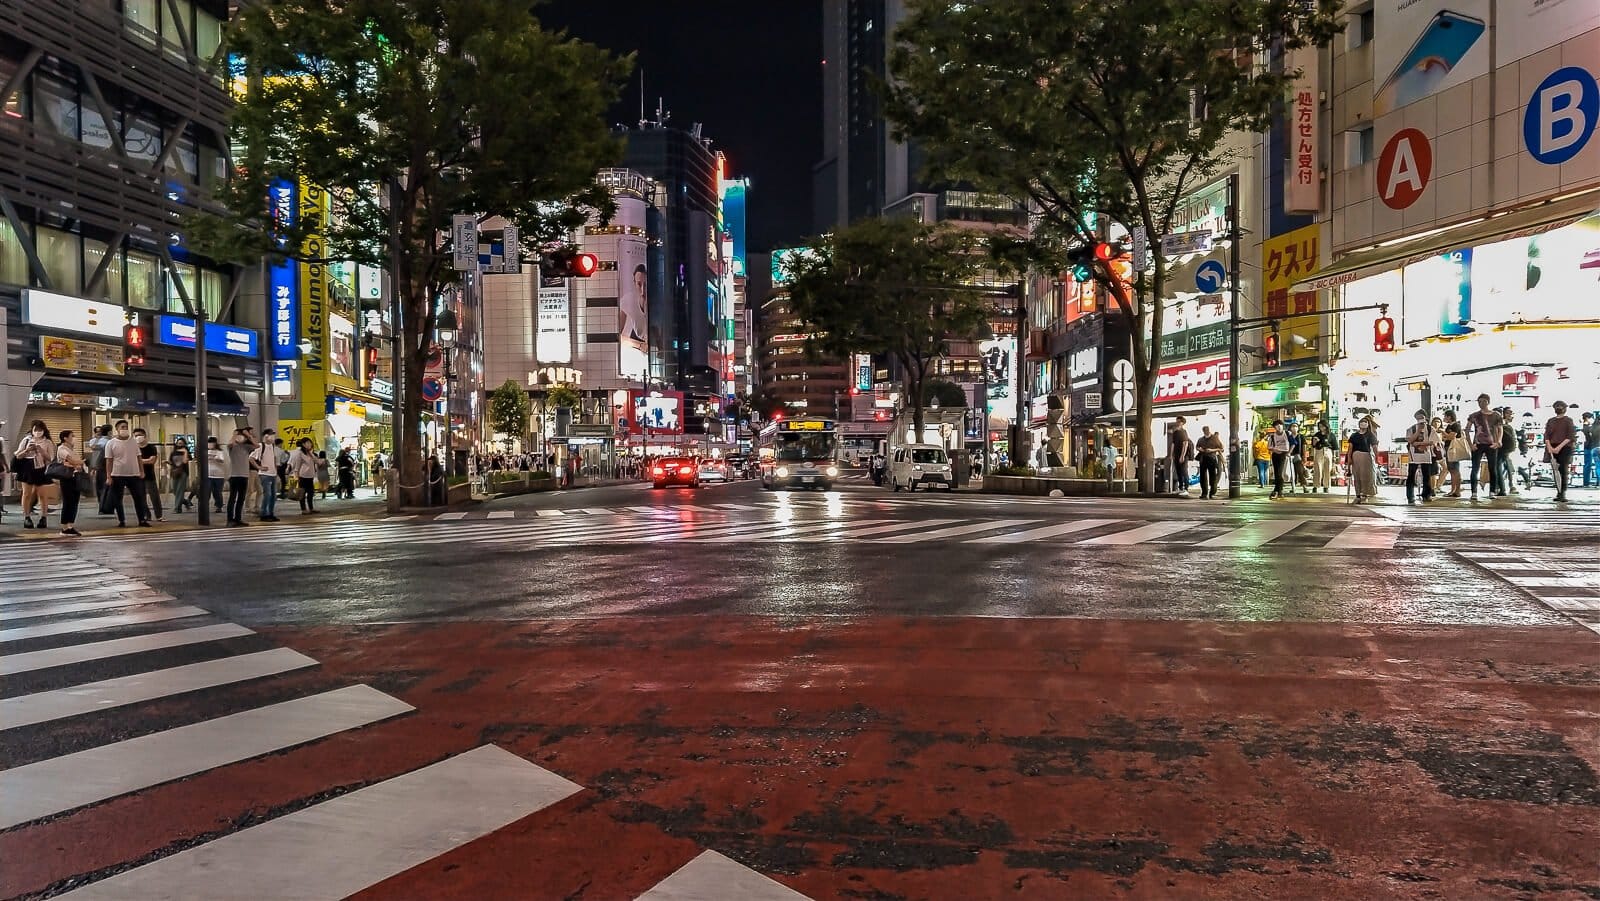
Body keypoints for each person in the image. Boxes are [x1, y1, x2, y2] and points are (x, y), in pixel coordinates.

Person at [103, 419, 151, 527]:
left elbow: (139, 457)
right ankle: (121, 520)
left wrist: (141, 471)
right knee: (117, 499)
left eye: (126, 427)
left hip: (134, 474)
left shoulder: (133, 441)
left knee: (139, 498)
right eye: (122, 427)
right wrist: (108, 476)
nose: (124, 429)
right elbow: (109, 461)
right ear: (117, 429)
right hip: (117, 474)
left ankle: (142, 520)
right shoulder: (111, 443)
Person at [13, 420, 55, 528]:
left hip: (41, 468)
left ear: (44, 431)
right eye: (36, 430)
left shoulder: (48, 442)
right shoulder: (26, 440)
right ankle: (27, 517)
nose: (38, 432)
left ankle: (43, 517)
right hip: (27, 468)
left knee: (42, 494)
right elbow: (18, 455)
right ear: (32, 430)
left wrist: (41, 450)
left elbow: (50, 458)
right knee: (26, 494)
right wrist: (27, 450)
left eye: (40, 430)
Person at [1465, 394, 1503, 499]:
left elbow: (1500, 429)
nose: (1480, 403)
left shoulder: (1496, 415)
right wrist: (1470, 444)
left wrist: (1498, 441)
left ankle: (1492, 491)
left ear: (1487, 402)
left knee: (1492, 468)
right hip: (1478, 444)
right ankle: (1474, 492)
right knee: (1475, 468)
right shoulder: (1474, 415)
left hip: (1491, 444)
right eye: (1479, 401)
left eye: (1483, 401)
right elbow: (1467, 430)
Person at [223, 427, 257, 527]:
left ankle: (238, 519)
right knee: (232, 498)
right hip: (234, 475)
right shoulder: (232, 447)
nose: (240, 437)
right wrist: (235, 434)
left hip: (244, 475)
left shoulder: (246, 447)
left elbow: (257, 445)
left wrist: (248, 435)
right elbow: (229, 444)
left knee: (241, 499)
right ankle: (230, 520)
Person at [54, 429, 85, 537]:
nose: (74, 438)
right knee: (68, 502)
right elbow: (73, 461)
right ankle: (64, 527)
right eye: (72, 436)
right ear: (65, 438)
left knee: (75, 501)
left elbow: (76, 463)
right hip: (66, 478)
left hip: (75, 477)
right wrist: (79, 463)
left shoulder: (72, 449)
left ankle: (70, 525)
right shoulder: (61, 449)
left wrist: (78, 464)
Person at [1544, 401, 1577, 502]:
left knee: (1563, 470)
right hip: (1552, 447)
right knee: (1555, 470)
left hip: (1565, 447)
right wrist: (1549, 446)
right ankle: (1558, 491)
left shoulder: (1568, 420)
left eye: (1561, 406)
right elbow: (1547, 435)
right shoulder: (1551, 421)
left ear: (1565, 408)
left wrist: (1559, 447)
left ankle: (1562, 492)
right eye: (1557, 406)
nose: (1558, 408)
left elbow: (1570, 436)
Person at [132, 428, 165, 522]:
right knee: (141, 497)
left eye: (139, 435)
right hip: (137, 476)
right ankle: (147, 515)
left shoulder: (151, 447)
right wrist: (144, 461)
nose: (137, 437)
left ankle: (159, 515)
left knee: (154, 496)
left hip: (150, 476)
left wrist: (139, 461)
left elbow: (152, 461)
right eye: (135, 436)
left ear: (144, 436)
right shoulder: (134, 448)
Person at [1404, 410, 1437, 504]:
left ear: (1425, 418)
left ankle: (1426, 495)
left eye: (1421, 417)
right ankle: (1410, 496)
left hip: (1426, 456)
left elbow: (1432, 442)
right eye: (1417, 418)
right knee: (1411, 476)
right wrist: (1418, 431)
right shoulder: (1411, 429)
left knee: (1427, 476)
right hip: (1413, 456)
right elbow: (1410, 440)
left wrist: (1418, 443)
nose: (1420, 419)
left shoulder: (1431, 429)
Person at [1348, 417, 1379, 503]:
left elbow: (1375, 447)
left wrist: (1377, 457)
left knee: (1365, 476)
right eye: (1361, 422)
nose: (1363, 423)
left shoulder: (1370, 435)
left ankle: (1364, 495)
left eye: (1365, 422)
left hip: (1366, 456)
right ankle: (1358, 495)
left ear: (1368, 424)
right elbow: (1350, 448)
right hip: (1355, 456)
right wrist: (1349, 458)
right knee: (1356, 476)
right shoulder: (1354, 435)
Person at [251, 432, 280, 521]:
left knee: (273, 495)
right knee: (267, 494)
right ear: (265, 436)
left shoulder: (273, 447)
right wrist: (259, 467)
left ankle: (270, 513)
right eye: (270, 436)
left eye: (273, 436)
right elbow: (251, 458)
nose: (272, 438)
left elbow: (275, 460)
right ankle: (264, 514)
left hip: (273, 474)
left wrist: (276, 473)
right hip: (264, 474)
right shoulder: (260, 446)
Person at [287, 438, 319, 513]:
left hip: (310, 476)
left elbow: (316, 461)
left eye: (310, 443)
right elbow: (297, 466)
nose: (309, 444)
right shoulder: (300, 453)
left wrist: (311, 453)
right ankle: (303, 509)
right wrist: (296, 475)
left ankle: (311, 508)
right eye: (307, 443)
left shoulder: (310, 453)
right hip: (303, 476)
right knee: (302, 493)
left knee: (311, 493)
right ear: (303, 444)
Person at [1441, 410, 1465, 497]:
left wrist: (1443, 432)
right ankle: (1453, 490)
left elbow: (1451, 437)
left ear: (1449, 416)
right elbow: (1445, 438)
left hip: (1453, 449)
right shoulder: (1449, 426)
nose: (1444, 418)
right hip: (1448, 448)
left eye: (1445, 416)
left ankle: (1457, 490)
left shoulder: (1456, 425)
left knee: (1455, 469)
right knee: (1451, 470)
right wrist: (1445, 436)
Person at [1168, 416, 1194, 497]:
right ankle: (1180, 487)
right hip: (1176, 454)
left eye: (1179, 421)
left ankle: (1186, 488)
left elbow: (1185, 444)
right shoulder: (1175, 433)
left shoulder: (1184, 432)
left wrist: (1182, 456)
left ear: (1182, 423)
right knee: (1178, 472)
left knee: (1184, 471)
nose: (1177, 423)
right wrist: (1171, 454)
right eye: (1177, 421)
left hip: (1183, 455)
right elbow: (1173, 444)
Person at [1196, 426, 1223, 500]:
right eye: (1204, 431)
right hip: (1203, 458)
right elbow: (1197, 446)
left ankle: (1212, 492)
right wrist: (1200, 449)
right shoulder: (1201, 439)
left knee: (1212, 476)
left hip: (1212, 458)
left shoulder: (1214, 438)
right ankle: (1204, 493)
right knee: (1203, 477)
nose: (1206, 432)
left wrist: (1212, 450)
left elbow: (1221, 448)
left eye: (1206, 431)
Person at [1267, 420, 1291, 499]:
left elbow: (1294, 443)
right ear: (1275, 428)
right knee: (1276, 473)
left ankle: (1278, 490)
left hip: (1283, 454)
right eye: (1277, 426)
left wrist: (1288, 452)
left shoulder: (1287, 434)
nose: (1279, 427)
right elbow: (1269, 447)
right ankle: (1278, 491)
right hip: (1275, 454)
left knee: (1280, 473)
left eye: (1280, 425)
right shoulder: (1272, 436)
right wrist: (1274, 450)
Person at [202, 436, 227, 513]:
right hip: (208, 474)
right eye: (209, 443)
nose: (210, 445)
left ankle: (219, 506)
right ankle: (205, 506)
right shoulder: (205, 452)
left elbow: (222, 460)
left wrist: (216, 458)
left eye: (212, 443)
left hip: (218, 475)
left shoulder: (220, 451)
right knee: (207, 491)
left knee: (217, 492)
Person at [168, 439, 193, 513]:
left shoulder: (186, 452)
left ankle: (177, 508)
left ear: (184, 444)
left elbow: (185, 461)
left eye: (181, 443)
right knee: (175, 491)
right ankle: (186, 502)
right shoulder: (173, 452)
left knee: (180, 490)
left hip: (183, 472)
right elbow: (171, 462)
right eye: (178, 443)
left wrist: (185, 452)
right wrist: (167, 462)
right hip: (174, 472)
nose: (179, 444)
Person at [1311, 420, 1334, 493]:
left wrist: (1335, 458)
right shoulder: (1317, 434)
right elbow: (1313, 445)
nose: (1321, 428)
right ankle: (1316, 485)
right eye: (1320, 426)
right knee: (1317, 468)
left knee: (1327, 469)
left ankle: (1326, 486)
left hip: (1328, 451)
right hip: (1319, 451)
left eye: (1323, 426)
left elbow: (1334, 446)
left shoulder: (1331, 435)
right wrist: (1315, 441)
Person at [1583, 411, 1599, 489]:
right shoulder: (1588, 427)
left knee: (1588, 465)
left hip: (1589, 447)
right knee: (1592, 465)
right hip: (1590, 447)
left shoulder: (1589, 427)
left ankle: (1586, 482)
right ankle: (1587, 482)